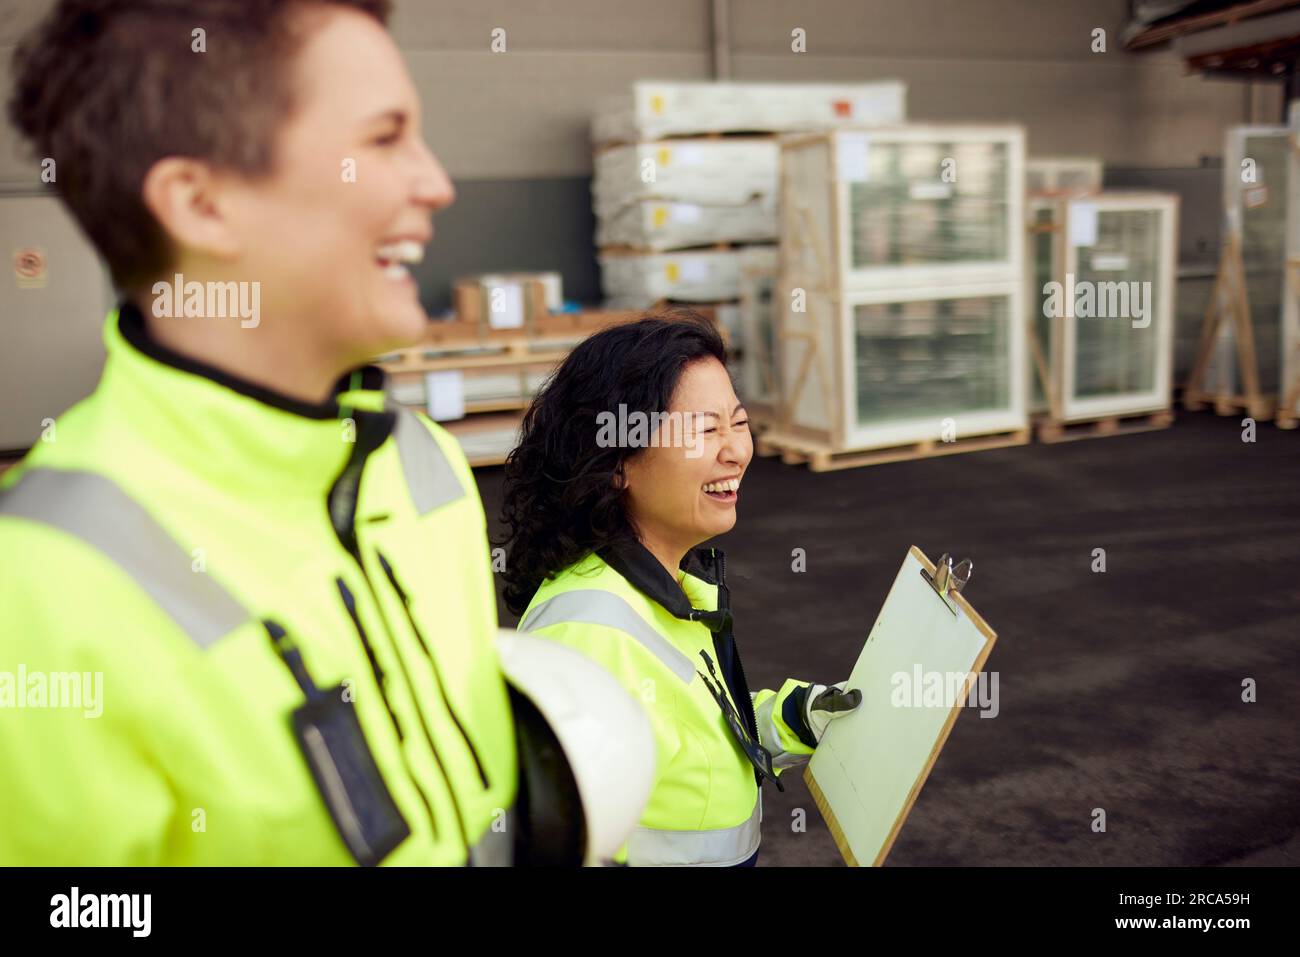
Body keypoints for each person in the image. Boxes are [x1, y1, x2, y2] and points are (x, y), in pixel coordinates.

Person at [0, 0, 652, 866]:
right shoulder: (38, 591)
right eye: (385, 139)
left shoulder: (424, 466)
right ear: (201, 203)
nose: (437, 183)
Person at [499, 313, 862, 867]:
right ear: (616, 462)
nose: (736, 450)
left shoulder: (667, 590)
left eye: (738, 423)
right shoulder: (587, 635)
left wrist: (791, 717)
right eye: (703, 430)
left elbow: (685, 745)